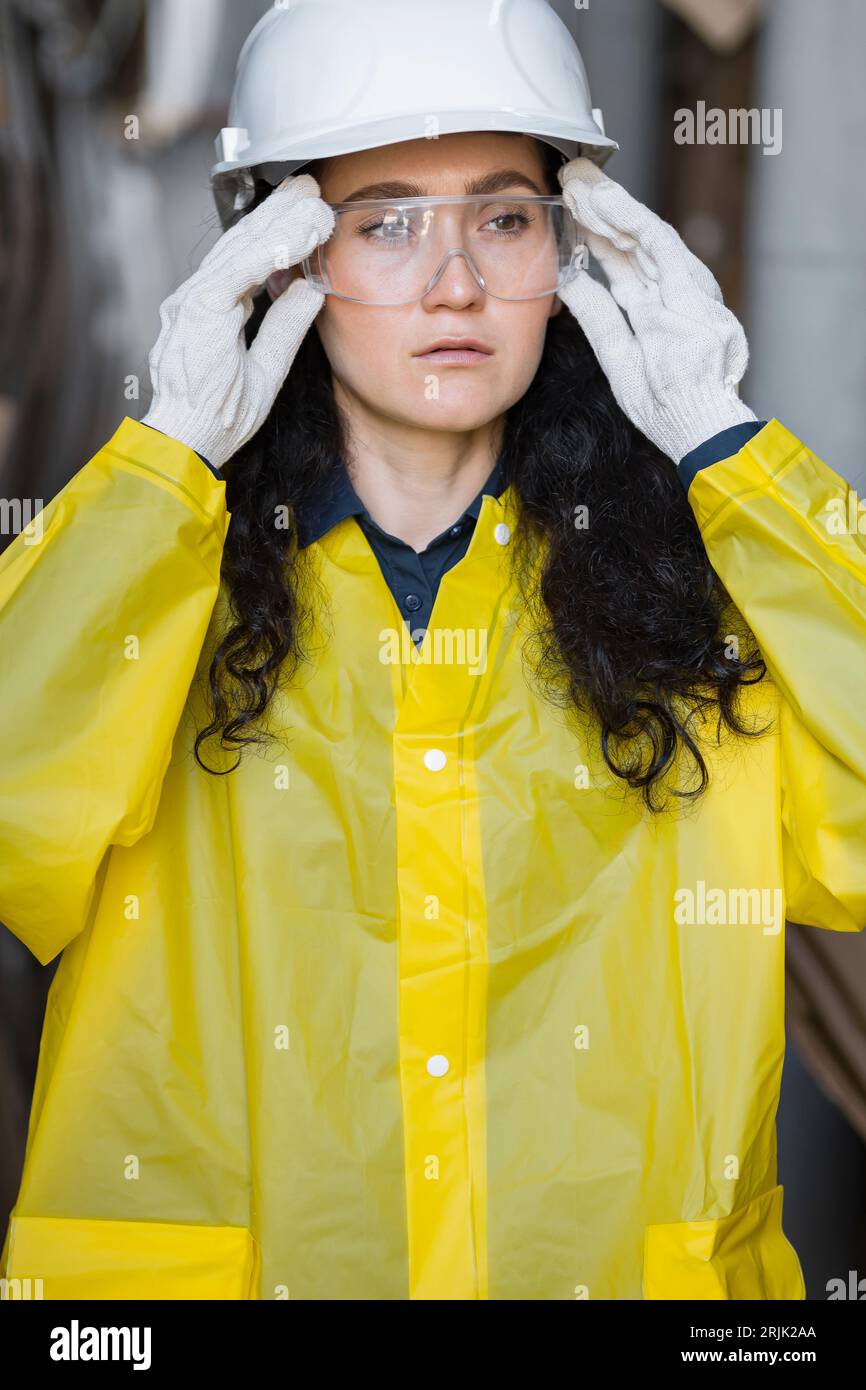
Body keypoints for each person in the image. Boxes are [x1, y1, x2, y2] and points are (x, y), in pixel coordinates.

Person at [1, 1, 864, 1302]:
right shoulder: (146, 579)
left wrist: (728, 446)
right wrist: (166, 453)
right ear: (282, 259)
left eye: (503, 218)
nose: (453, 283)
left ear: (570, 252)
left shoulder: (699, 604)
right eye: (387, 223)